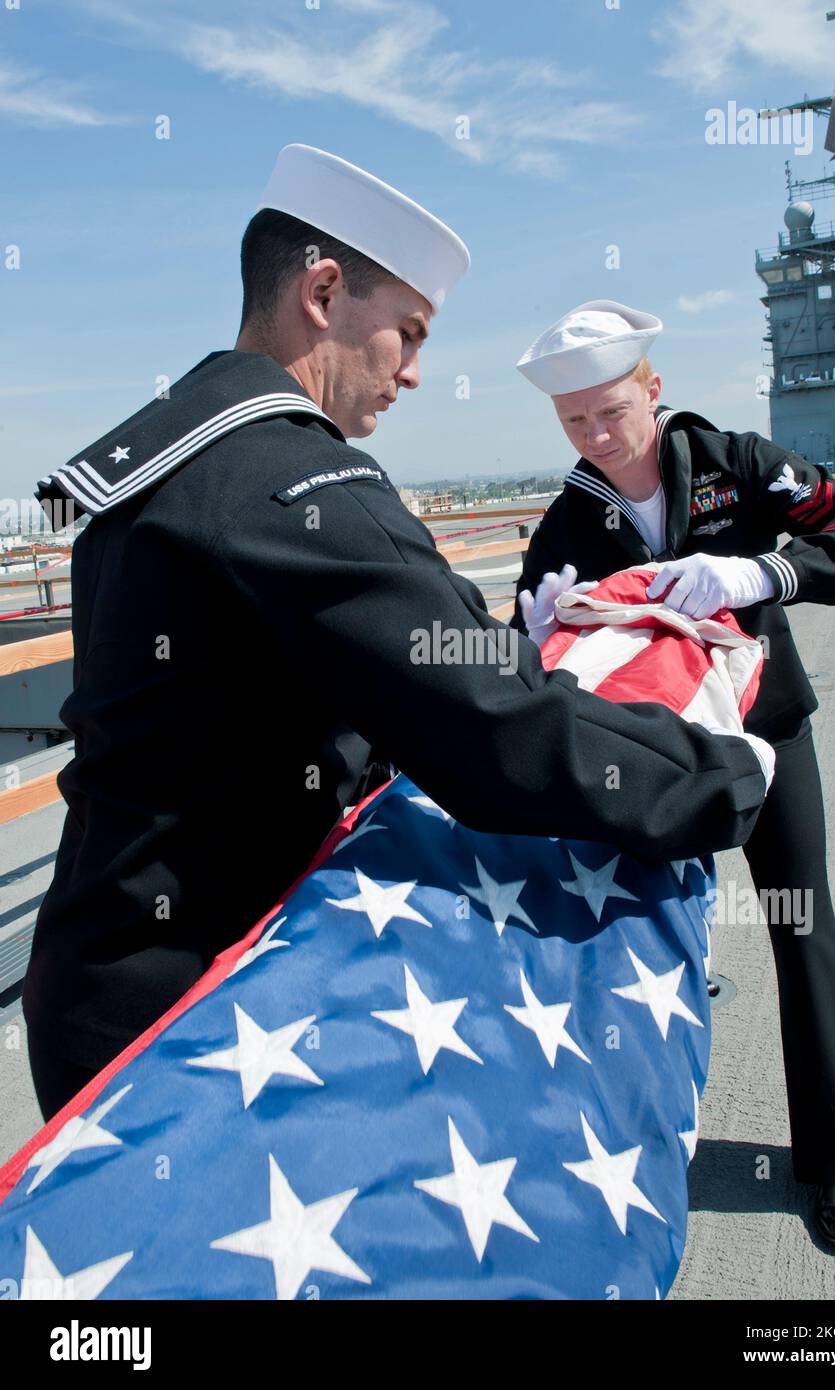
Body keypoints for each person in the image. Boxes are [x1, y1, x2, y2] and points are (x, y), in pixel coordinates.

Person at [23, 151, 774, 1126]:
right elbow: (494, 725)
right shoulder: (288, 479)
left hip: (98, 984)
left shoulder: (165, 458)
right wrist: (722, 774)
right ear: (324, 292)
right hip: (195, 1025)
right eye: (408, 334)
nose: (414, 373)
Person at [510, 299, 835, 1253]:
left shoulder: (741, 467)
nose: (597, 436)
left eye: (612, 411)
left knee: (802, 929)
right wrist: (526, 642)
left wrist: (762, 576)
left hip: (767, 739)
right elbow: (525, 663)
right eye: (574, 421)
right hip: (653, 766)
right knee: (621, 946)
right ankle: (615, 1153)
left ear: (653, 390)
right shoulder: (571, 520)